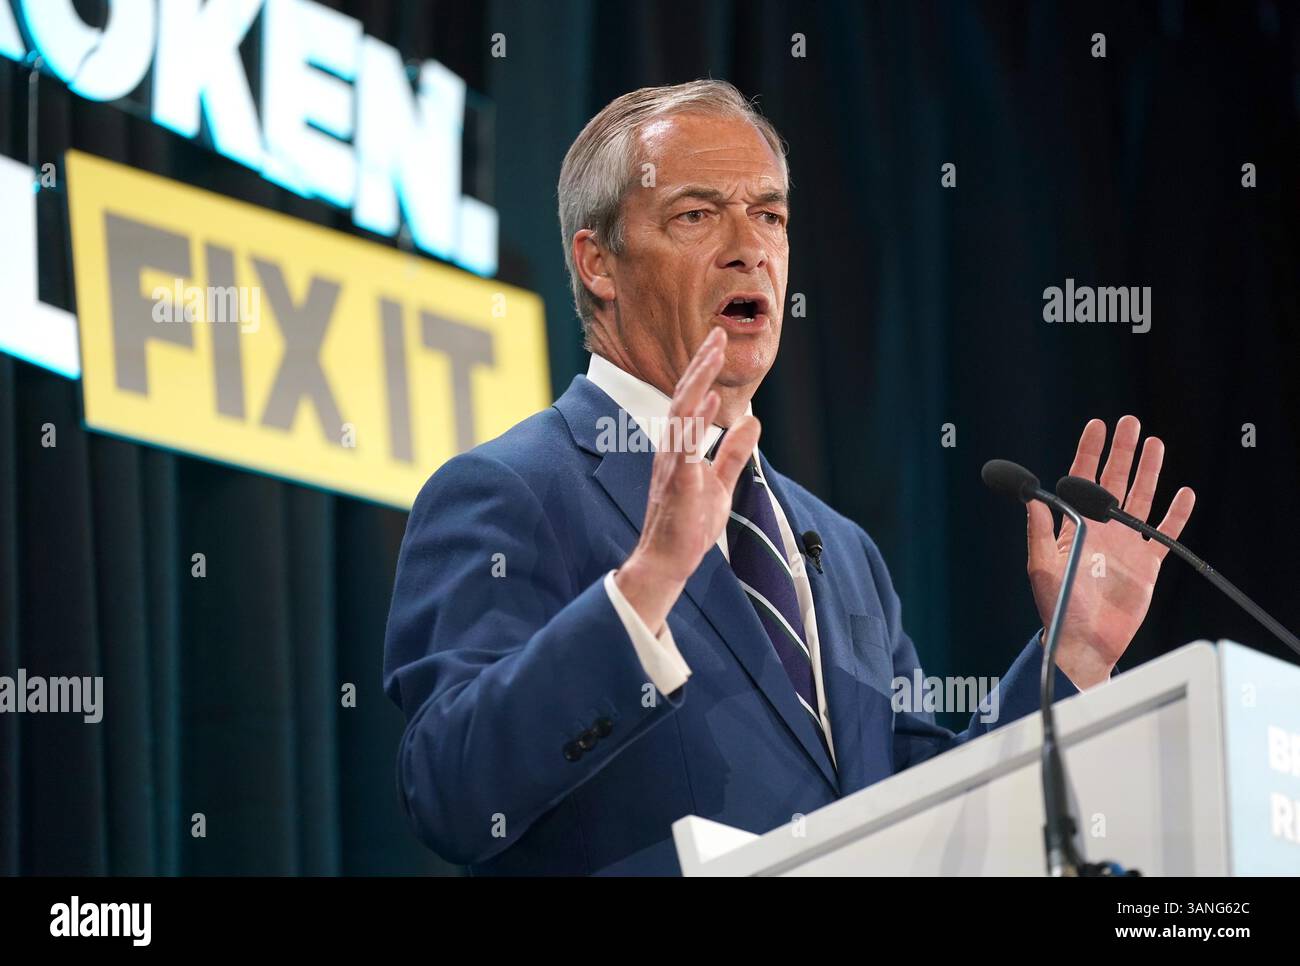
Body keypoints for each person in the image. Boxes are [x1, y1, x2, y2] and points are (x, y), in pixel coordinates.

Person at [382, 80, 1196, 875]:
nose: (750, 246)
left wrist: (1076, 653)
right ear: (597, 261)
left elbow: (932, 824)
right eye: (697, 214)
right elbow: (451, 791)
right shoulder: (508, 491)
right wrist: (647, 585)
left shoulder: (843, 554)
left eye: (769, 214)